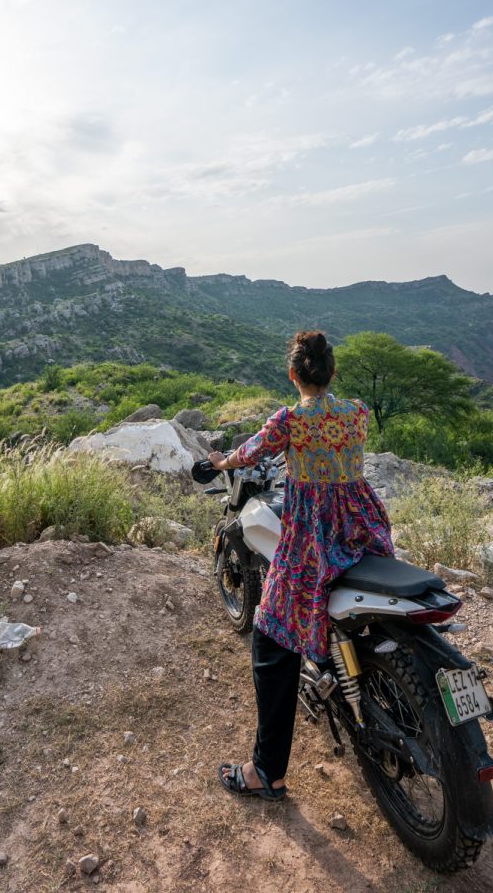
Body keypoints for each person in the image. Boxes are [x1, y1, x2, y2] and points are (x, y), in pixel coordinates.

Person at [209, 329, 393, 801]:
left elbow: (249, 453)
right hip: (362, 527)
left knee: (270, 635)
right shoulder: (357, 413)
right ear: (332, 372)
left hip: (314, 537)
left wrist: (220, 460)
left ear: (294, 375)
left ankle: (266, 771)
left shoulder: (290, 420)